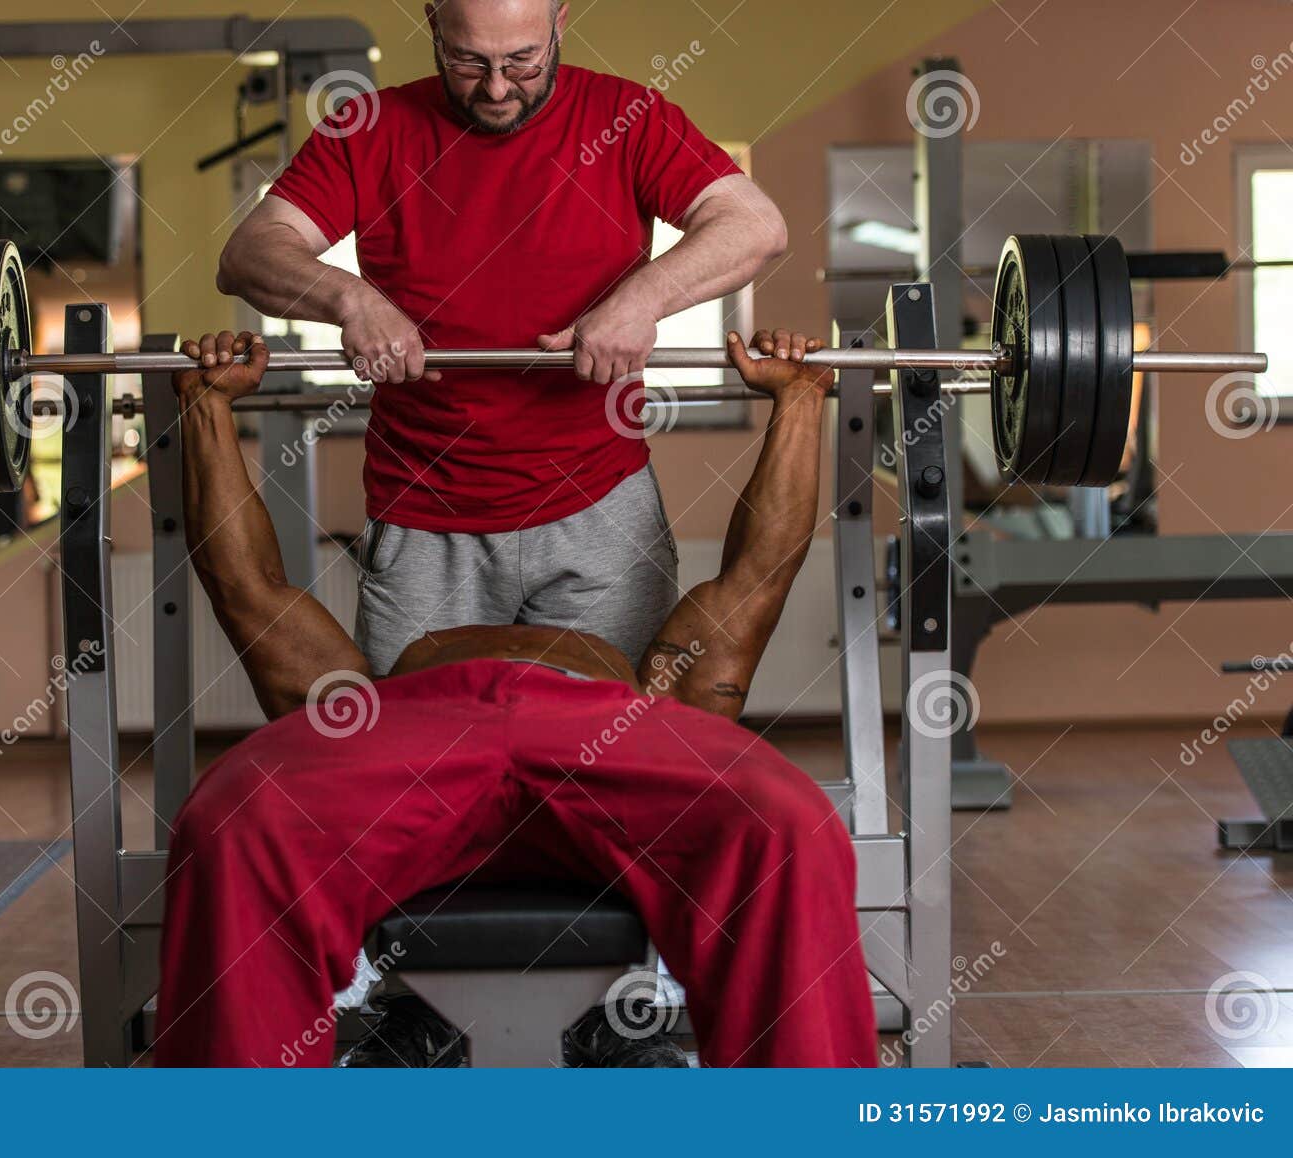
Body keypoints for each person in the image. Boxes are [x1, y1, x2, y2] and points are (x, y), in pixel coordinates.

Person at [152, 327, 875, 1068]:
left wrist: (800, 396)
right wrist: (204, 405)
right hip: (426, 722)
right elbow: (246, 590)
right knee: (233, 821)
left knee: (788, 822)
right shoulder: (667, 690)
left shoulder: (660, 701)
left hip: (586, 727)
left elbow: (762, 573)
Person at [215, 0, 789, 677]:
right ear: (432, 22)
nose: (495, 87)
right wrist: (350, 299)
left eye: (522, 61)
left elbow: (756, 226)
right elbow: (248, 254)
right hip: (424, 515)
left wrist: (642, 300)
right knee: (419, 765)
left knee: (606, 756)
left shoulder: (628, 115)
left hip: (599, 506)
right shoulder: (369, 128)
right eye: (469, 61)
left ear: (560, 22)